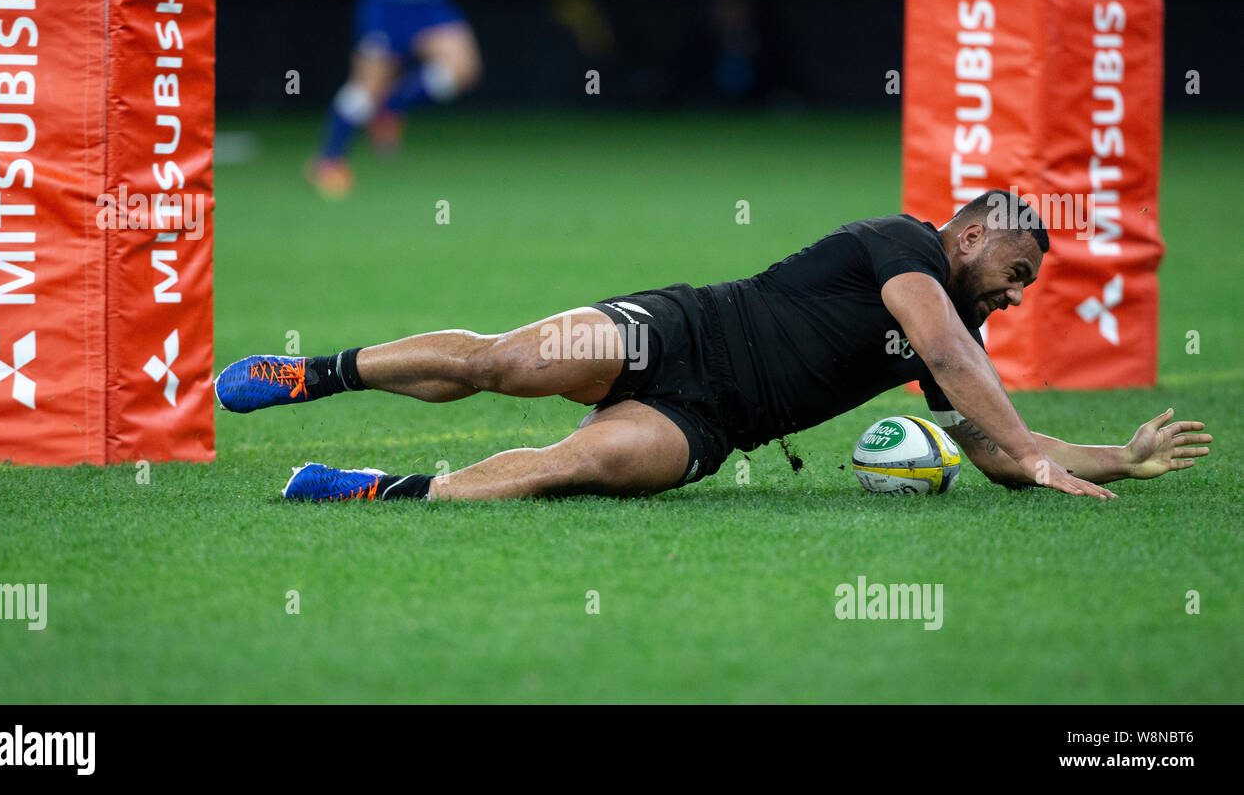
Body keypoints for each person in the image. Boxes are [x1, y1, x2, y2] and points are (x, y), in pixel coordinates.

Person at [215, 190, 1212, 502]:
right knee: (501, 362)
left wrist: (1108, 458)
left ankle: (367, 487)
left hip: (711, 421)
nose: (1020, 287)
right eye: (1018, 266)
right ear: (967, 235)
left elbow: (996, 449)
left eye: (1030, 281)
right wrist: (1039, 449)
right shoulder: (907, 251)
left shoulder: (959, 328)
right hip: (678, 328)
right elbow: (954, 363)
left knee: (574, 465)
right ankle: (310, 371)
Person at [310, 0, 482, 198]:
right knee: (367, 89)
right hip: (386, 4)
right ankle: (329, 160)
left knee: (462, 70)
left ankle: (390, 107)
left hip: (429, 3)